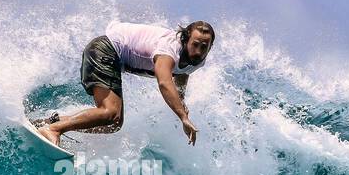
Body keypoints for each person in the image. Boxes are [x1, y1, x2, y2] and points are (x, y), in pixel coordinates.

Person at [37, 20, 215, 148]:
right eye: (195, 44)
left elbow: (182, 74)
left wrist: (181, 99)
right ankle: (54, 129)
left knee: (113, 124)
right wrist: (183, 117)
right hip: (105, 49)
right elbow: (164, 82)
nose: (199, 50)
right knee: (110, 112)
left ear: (210, 46)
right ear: (185, 40)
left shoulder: (197, 60)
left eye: (204, 46)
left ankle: (50, 123)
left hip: (113, 59)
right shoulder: (168, 50)